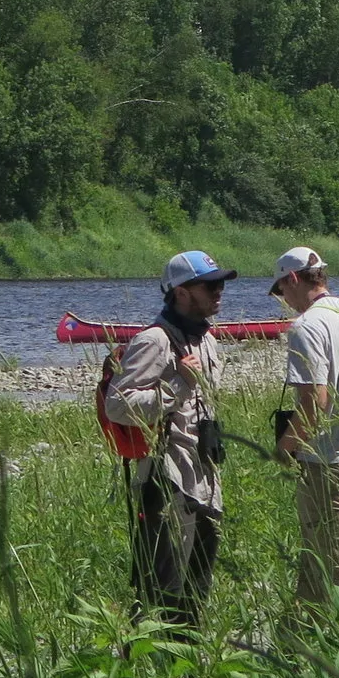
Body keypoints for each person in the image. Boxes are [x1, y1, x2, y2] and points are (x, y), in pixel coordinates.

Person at [102, 251, 233, 629]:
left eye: (220, 284)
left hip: (205, 479)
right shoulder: (154, 340)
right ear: (180, 292)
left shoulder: (207, 340)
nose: (218, 292)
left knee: (196, 591)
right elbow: (118, 405)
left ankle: (187, 671)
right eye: (209, 285)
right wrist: (178, 385)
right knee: (160, 592)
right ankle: (143, 670)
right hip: (167, 478)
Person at [272, 247, 339, 624]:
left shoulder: (306, 327)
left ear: (294, 279)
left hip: (326, 459)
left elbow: (315, 402)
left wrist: (285, 447)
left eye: (281, 290)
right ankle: (296, 636)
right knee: (315, 549)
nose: (283, 300)